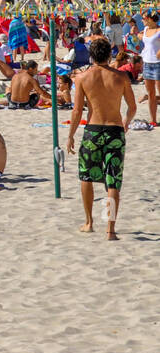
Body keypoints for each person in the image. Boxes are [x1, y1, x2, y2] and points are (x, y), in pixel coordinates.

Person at [66, 37, 136, 240]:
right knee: (113, 182)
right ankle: (110, 230)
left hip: (93, 130)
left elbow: (77, 110)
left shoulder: (82, 77)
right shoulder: (121, 77)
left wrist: (70, 136)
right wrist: (126, 123)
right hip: (114, 131)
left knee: (86, 177)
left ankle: (89, 222)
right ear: (109, 55)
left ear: (91, 55)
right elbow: (132, 107)